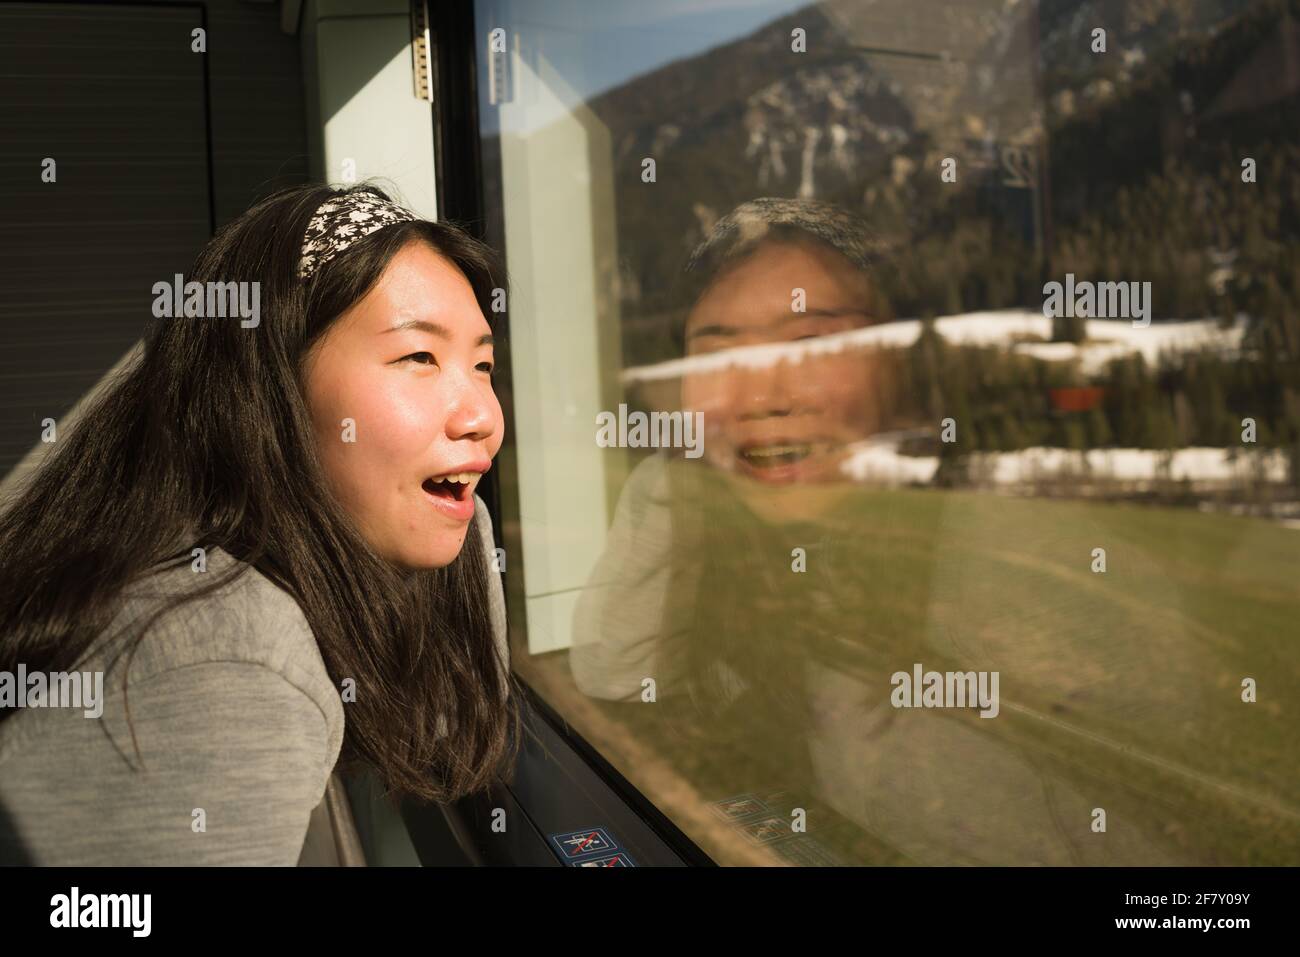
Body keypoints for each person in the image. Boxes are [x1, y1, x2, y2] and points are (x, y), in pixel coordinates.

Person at [571, 198, 1187, 865]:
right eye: (718, 359)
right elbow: (614, 672)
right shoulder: (744, 535)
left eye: (813, 345)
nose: (762, 394)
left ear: (899, 359)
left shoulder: (1013, 562)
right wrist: (686, 466)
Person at [0, 183, 520, 865]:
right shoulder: (226, 664)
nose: (482, 414)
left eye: (482, 364)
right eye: (418, 357)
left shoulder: (345, 556)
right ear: (270, 388)